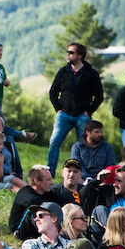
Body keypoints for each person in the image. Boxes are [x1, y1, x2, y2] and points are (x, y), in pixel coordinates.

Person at [47, 42, 104, 173]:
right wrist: (58, 109)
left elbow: (99, 96)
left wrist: (88, 112)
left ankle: (83, 173)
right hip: (64, 115)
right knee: (54, 142)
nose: (68, 54)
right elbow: (53, 92)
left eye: (71, 52)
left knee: (84, 146)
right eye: (68, 52)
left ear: (79, 55)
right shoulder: (63, 71)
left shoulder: (91, 74)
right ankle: (50, 170)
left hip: (82, 116)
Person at [8, 165, 64, 239]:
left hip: (37, 230)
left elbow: (63, 202)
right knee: (37, 211)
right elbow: (36, 203)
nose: (51, 183)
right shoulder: (24, 193)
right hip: (19, 231)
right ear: (37, 181)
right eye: (48, 180)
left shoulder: (47, 193)